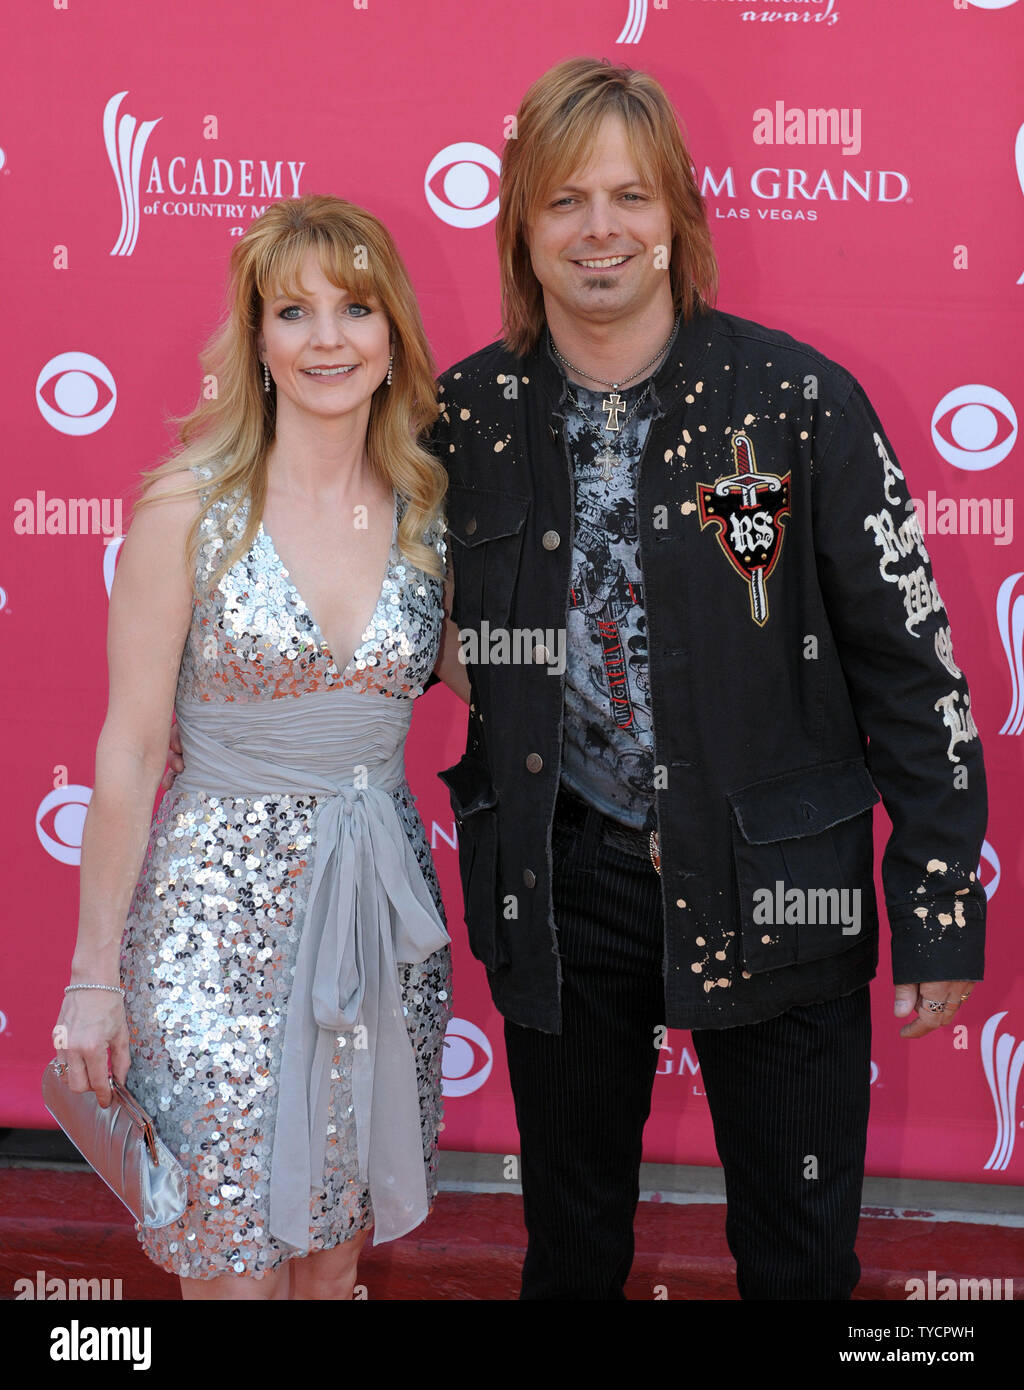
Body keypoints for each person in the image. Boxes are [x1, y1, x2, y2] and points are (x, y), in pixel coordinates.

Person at [431, 58, 987, 1300]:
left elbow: (911, 666)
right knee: (568, 1252)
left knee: (797, 1263)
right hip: (556, 876)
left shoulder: (797, 402)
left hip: (783, 874)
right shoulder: (463, 417)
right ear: (521, 223)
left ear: (681, 214)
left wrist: (939, 895)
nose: (600, 231)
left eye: (630, 197)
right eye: (565, 200)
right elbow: (378, 606)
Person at [52, 194, 470, 1300]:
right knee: (229, 1263)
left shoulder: (433, 511)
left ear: (393, 339)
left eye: (356, 308)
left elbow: (515, 691)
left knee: (335, 1256)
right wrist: (93, 979)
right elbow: (131, 754)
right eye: (293, 311)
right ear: (257, 340)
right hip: (209, 935)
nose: (327, 337)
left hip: (377, 923)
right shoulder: (188, 508)